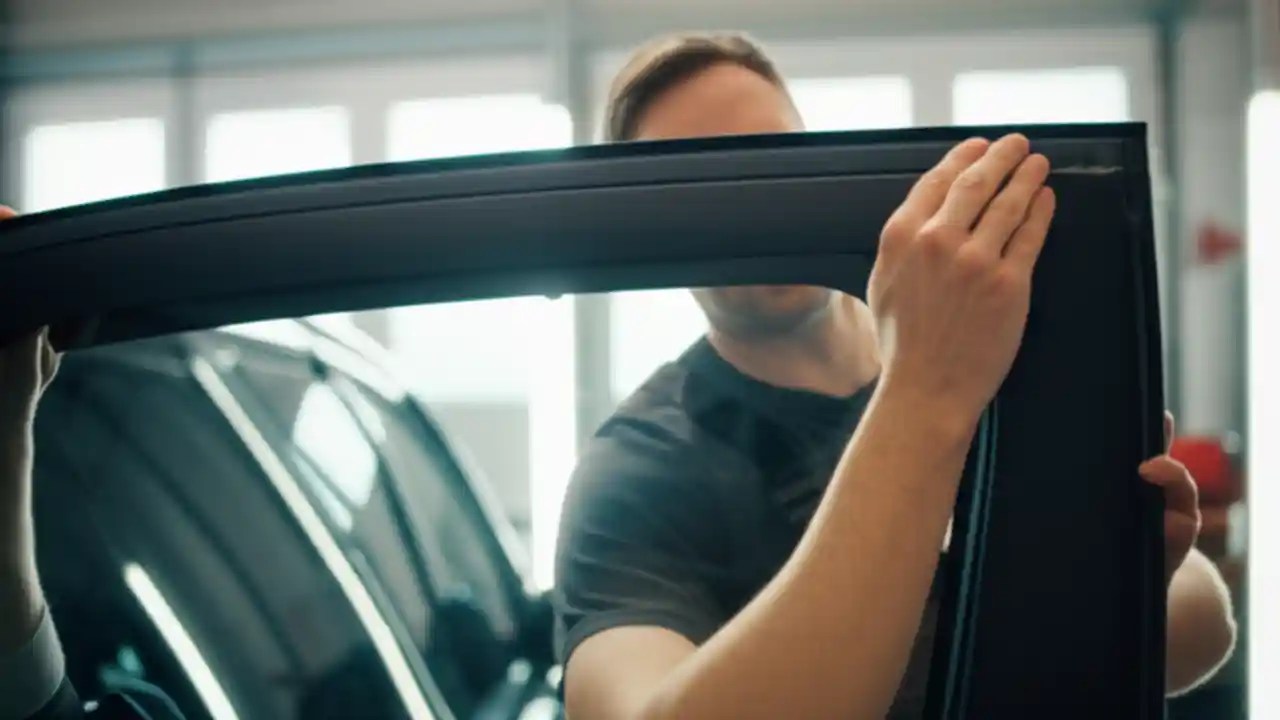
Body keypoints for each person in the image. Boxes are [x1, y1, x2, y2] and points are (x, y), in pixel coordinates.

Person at [553, 32, 1238, 720]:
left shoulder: (990, 345)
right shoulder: (638, 469)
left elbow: (1205, 628)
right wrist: (925, 394)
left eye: (773, 156)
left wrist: (1135, 587)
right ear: (652, 231)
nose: (759, 202)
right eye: (698, 187)